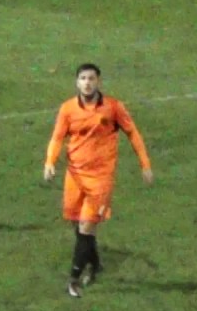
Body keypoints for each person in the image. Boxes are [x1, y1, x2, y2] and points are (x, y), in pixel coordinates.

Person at [43, 63, 154, 298]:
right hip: (74, 176)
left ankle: (73, 279)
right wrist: (50, 162)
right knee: (80, 227)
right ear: (77, 82)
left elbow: (133, 132)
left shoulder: (113, 108)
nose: (87, 82)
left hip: (100, 179)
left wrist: (145, 164)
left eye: (91, 78)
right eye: (83, 78)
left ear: (98, 81)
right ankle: (94, 265)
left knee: (85, 226)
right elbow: (57, 137)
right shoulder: (68, 109)